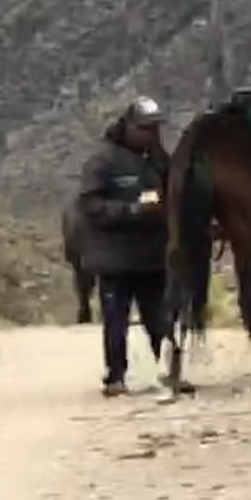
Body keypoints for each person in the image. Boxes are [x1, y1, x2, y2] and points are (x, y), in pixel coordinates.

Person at [76, 96, 171, 397]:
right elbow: (90, 204)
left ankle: (167, 371)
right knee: (116, 319)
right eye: (145, 128)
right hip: (115, 258)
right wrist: (130, 210)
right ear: (128, 127)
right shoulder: (103, 161)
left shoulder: (159, 160)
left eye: (155, 128)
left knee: (160, 318)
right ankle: (115, 376)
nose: (151, 135)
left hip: (153, 256)